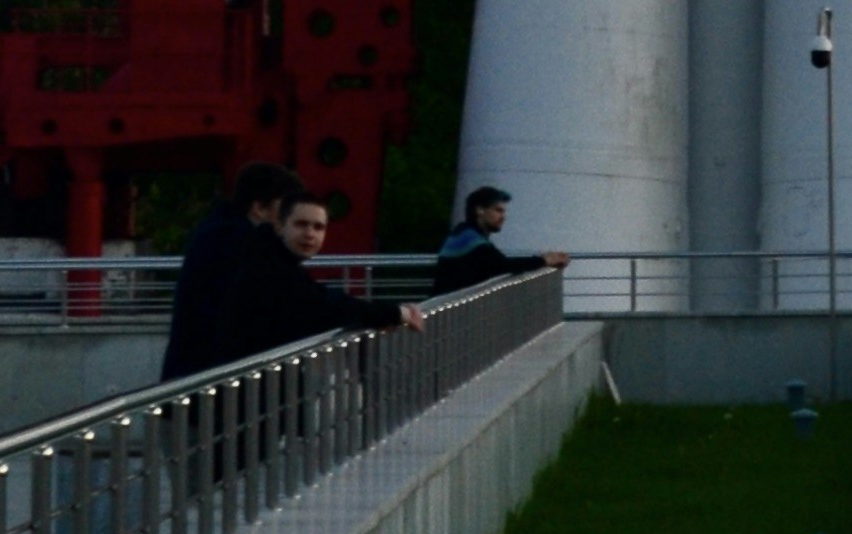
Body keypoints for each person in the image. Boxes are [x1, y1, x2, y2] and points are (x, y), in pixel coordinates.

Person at [212, 189, 432, 360]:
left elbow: (320, 303)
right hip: (247, 392)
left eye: (319, 227)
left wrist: (379, 315)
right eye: (301, 224)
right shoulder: (269, 268)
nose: (310, 234)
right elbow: (325, 304)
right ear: (279, 226)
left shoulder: (267, 258)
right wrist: (396, 313)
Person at [161, 160, 302, 378]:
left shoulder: (219, 231)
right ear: (260, 208)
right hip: (215, 374)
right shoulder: (239, 242)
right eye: (285, 208)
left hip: (198, 371)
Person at [430, 185, 569, 297]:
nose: (503, 217)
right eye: (498, 210)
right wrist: (544, 260)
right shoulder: (470, 240)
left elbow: (497, 263)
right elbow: (503, 265)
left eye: (503, 212)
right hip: (449, 315)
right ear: (480, 210)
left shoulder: (463, 234)